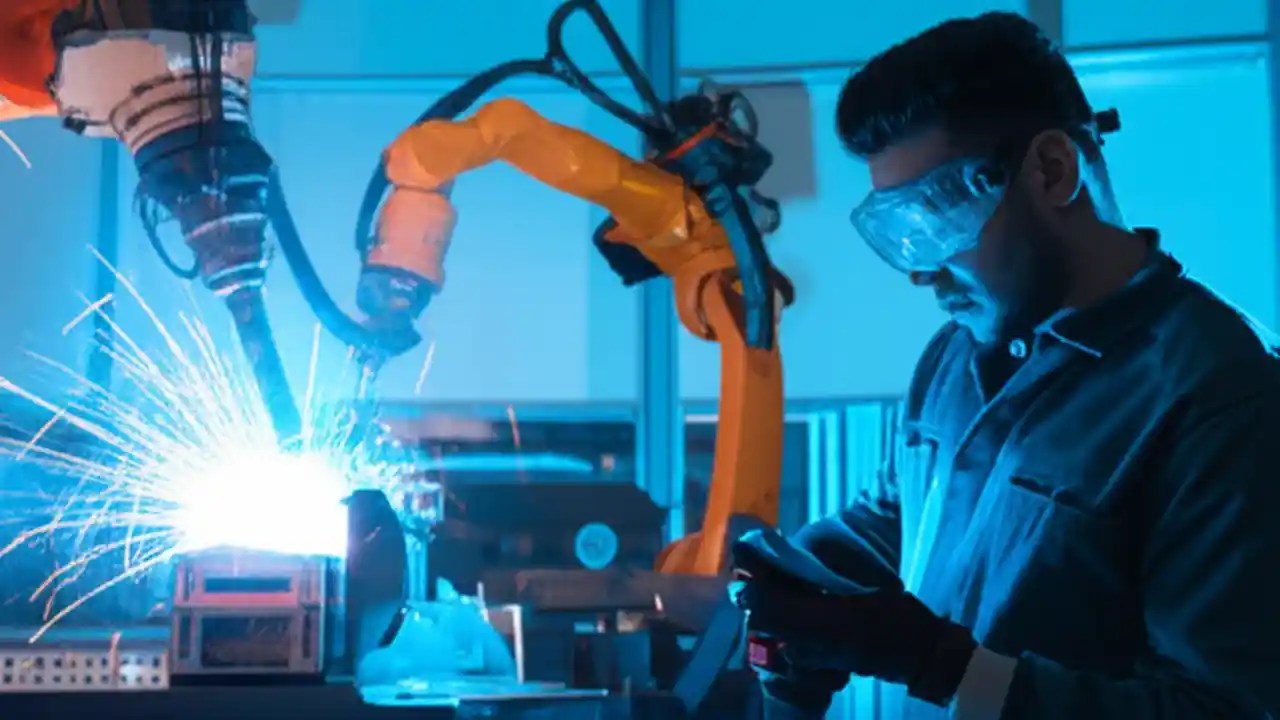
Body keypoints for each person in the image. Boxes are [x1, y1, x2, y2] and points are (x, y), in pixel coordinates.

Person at [730, 11, 1280, 720]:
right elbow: (904, 518)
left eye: (939, 218)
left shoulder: (1220, 395)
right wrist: (801, 572)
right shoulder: (955, 358)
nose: (921, 273)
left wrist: (940, 665)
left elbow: (1222, 710)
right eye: (901, 234)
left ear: (1052, 171)